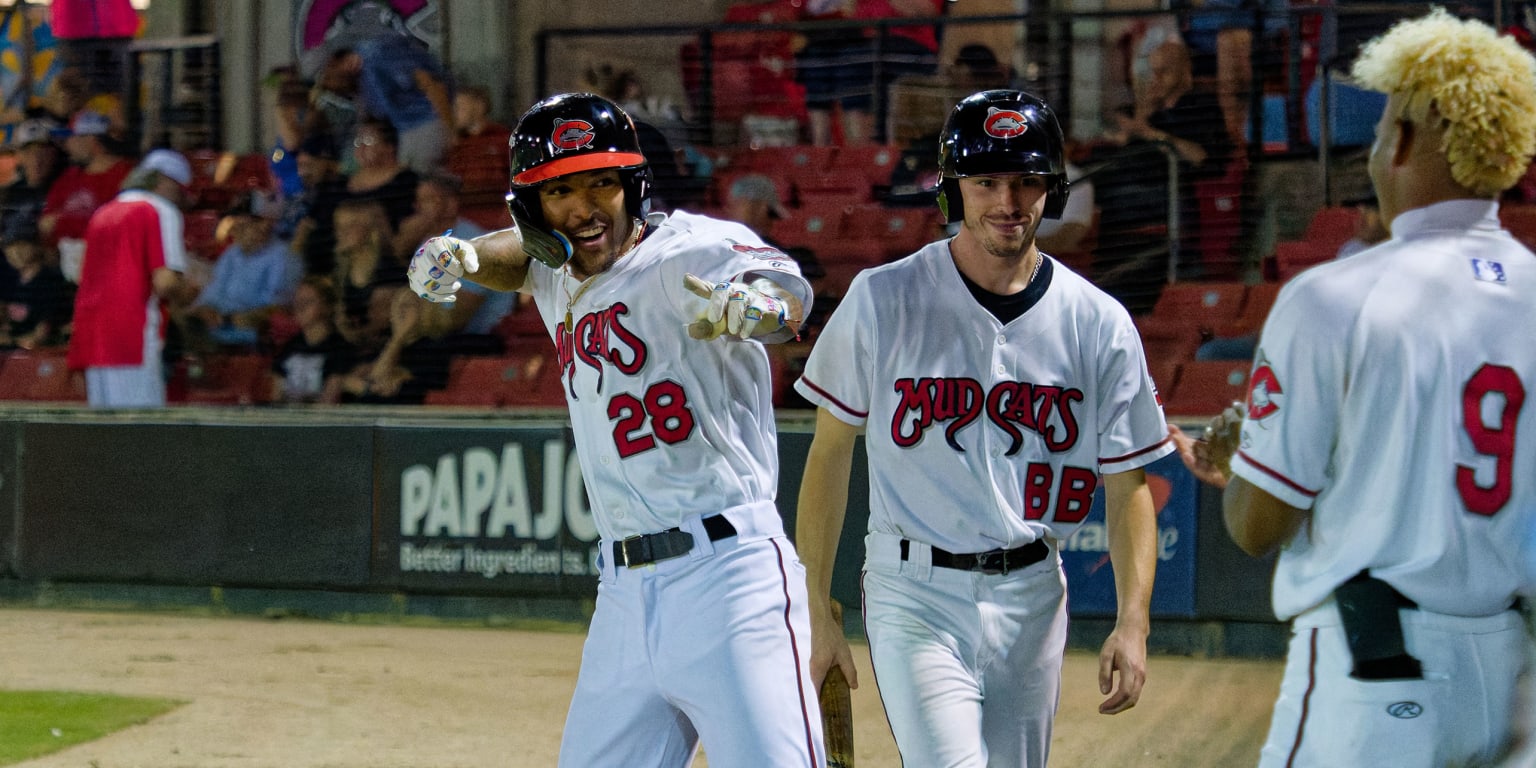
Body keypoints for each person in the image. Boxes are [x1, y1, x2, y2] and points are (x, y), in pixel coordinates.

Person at [406, 92, 823, 767]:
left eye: (602, 182)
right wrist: (467, 257)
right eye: (560, 190)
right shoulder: (556, 274)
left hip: (730, 578)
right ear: (533, 207)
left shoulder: (696, 247)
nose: (585, 206)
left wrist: (756, 309)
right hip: (623, 592)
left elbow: (787, 293)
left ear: (633, 185)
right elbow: (514, 256)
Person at [1167, 11, 1536, 767]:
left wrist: (1245, 461)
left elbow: (1257, 525)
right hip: (1514, 672)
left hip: (1372, 671)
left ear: (1400, 139)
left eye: (1381, 126)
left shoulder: (1333, 295)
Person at [794, 89, 1171, 766]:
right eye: (987, 181)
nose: (1008, 201)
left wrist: (1132, 623)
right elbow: (828, 453)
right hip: (914, 592)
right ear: (952, 190)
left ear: (1052, 190)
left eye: (1027, 181)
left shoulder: (1098, 321)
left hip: (1032, 598)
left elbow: (1128, 483)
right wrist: (814, 603)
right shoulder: (883, 298)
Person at [66, 149, 195, 409]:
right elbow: (166, 281)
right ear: (164, 182)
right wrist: (194, 294)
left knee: (105, 440)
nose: (179, 200)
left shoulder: (102, 213)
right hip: (132, 338)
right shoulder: (159, 210)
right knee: (141, 437)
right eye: (179, 191)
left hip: (92, 340)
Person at [183, 191, 300, 348]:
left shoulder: (284, 258)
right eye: (235, 221)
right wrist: (205, 309)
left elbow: (278, 309)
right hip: (216, 327)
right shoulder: (232, 254)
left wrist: (230, 319)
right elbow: (212, 293)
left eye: (244, 223)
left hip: (251, 335)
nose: (235, 227)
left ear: (265, 224)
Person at [333, 35, 454, 173]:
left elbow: (431, 83)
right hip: (406, 130)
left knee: (424, 176)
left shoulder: (379, 54)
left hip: (428, 120)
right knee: (408, 178)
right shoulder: (361, 78)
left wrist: (449, 127)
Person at [40, 108, 132, 282]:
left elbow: (118, 226)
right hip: (67, 275)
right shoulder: (69, 177)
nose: (67, 146)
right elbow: (45, 224)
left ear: (91, 139)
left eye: (71, 138)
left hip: (111, 273)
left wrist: (64, 222)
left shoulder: (125, 174)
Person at [270, 275, 354, 405]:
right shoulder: (290, 347)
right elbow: (276, 397)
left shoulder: (339, 348)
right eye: (297, 302)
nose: (300, 308)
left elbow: (330, 399)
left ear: (326, 306)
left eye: (308, 302)